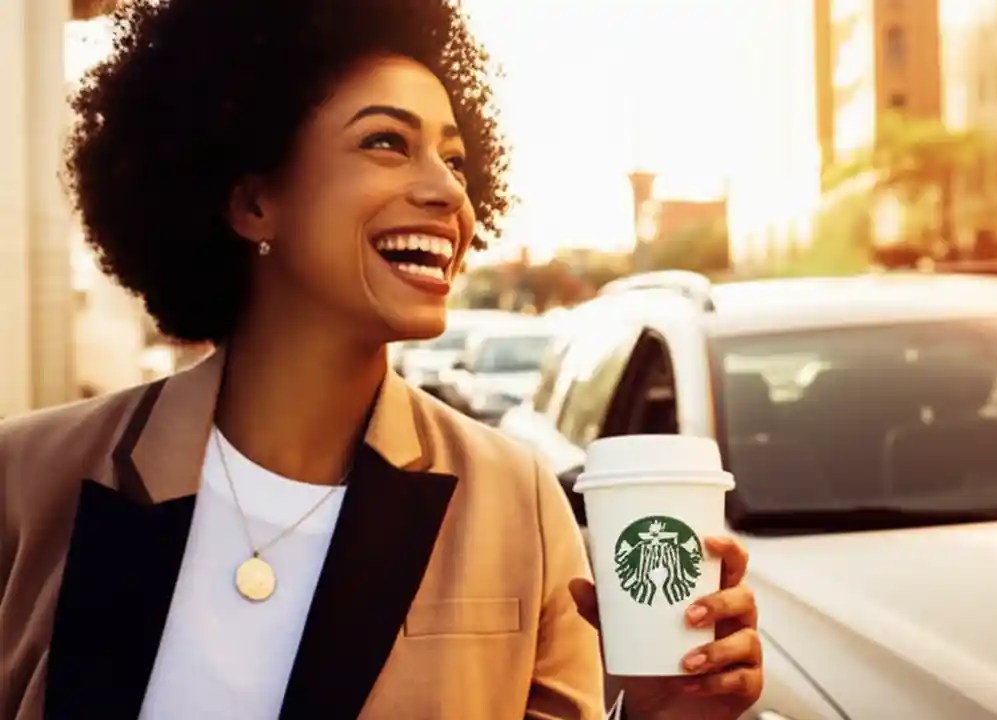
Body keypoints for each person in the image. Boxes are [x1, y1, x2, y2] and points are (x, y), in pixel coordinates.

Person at [0, 1, 763, 718]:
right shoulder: (31, 479)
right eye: (386, 142)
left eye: (456, 161)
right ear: (252, 201)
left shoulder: (515, 499)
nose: (446, 193)